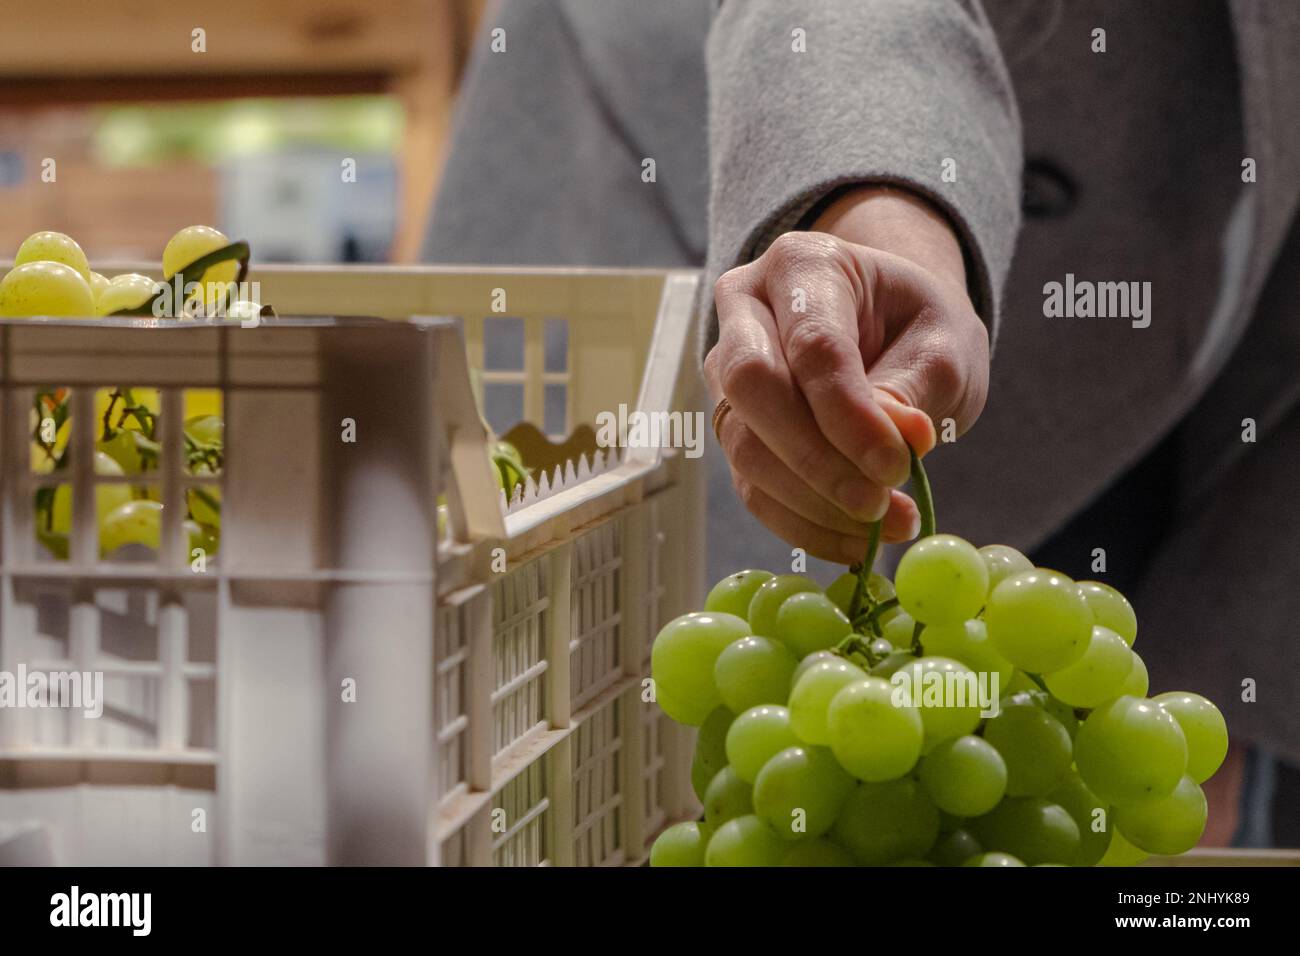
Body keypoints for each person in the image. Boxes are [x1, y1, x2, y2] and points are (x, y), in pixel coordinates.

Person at [423, 0, 1300, 846]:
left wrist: (1226, 660)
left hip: (1183, 380)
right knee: (576, 721)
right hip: (687, 136)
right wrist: (875, 230)